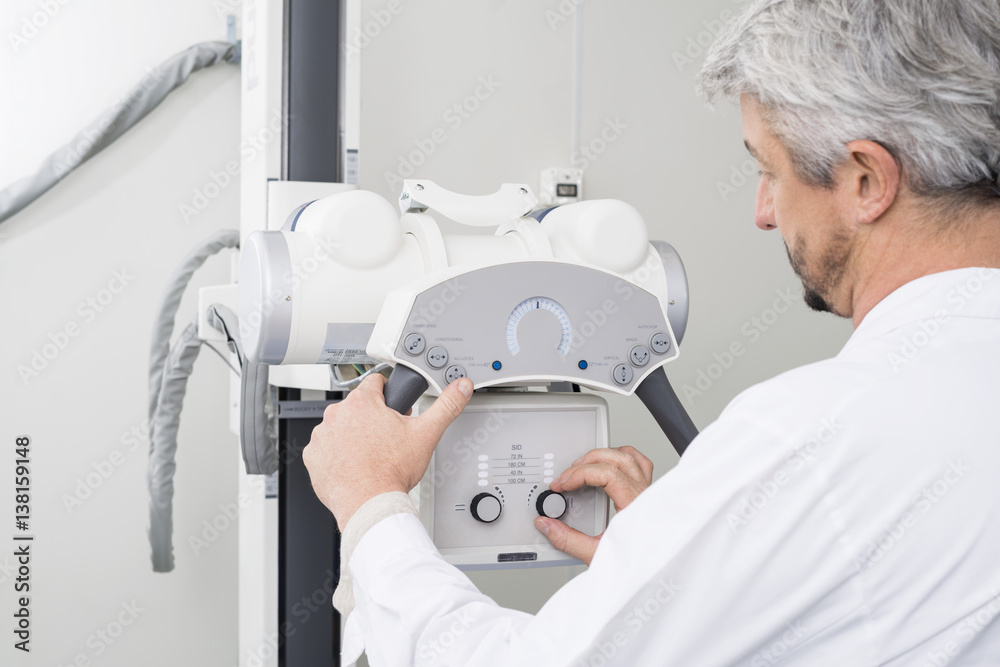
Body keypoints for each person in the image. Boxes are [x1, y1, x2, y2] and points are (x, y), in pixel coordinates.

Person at [303, 0, 1000, 664]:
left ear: (865, 179)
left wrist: (372, 504)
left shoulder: (813, 437)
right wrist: (699, 578)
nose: (762, 213)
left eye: (768, 170)